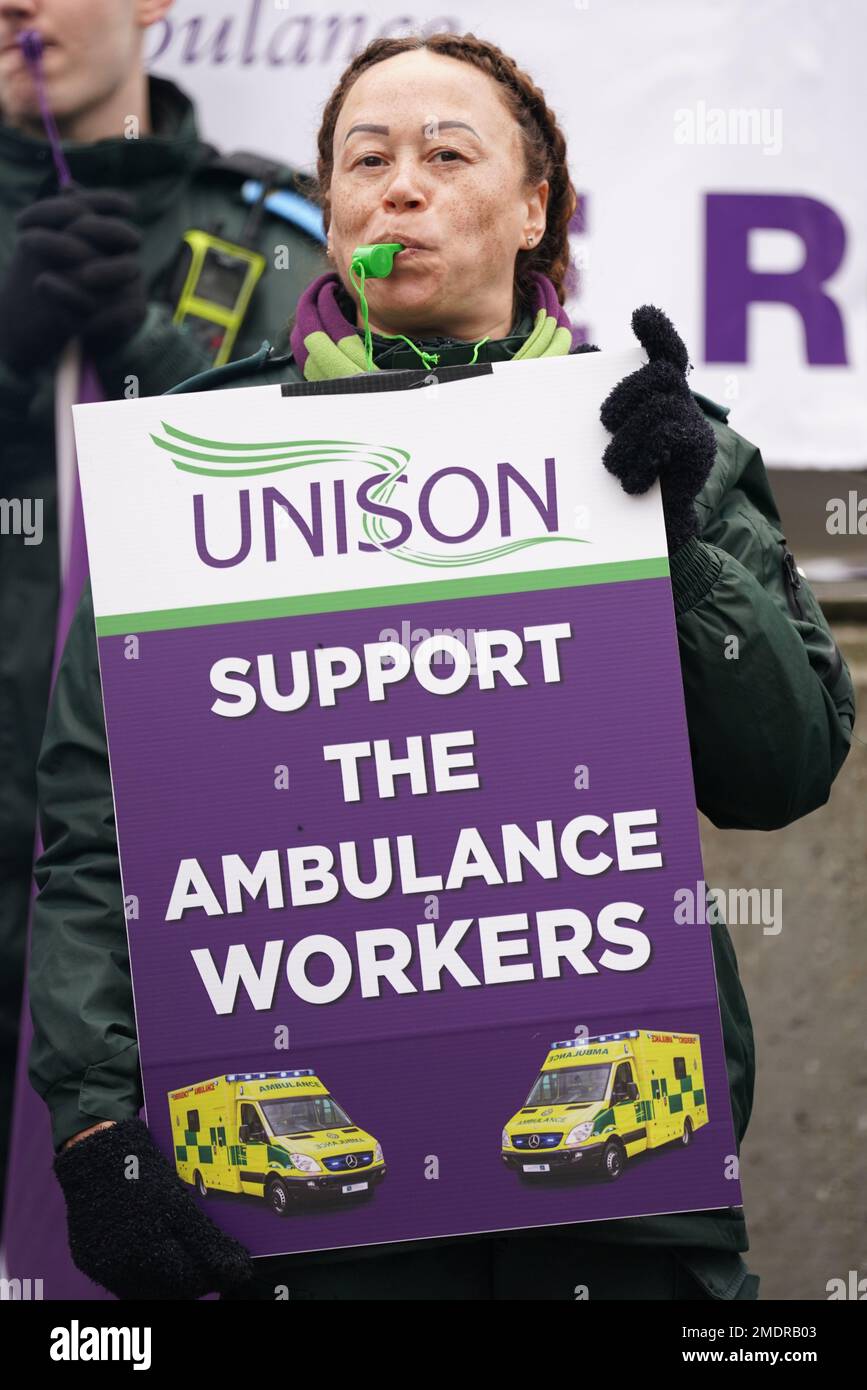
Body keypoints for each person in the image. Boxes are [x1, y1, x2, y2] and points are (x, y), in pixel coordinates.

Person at [29, 31, 855, 1301]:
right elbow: (96, 833)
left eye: (445, 154)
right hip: (307, 1220)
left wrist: (679, 540)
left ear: (537, 210)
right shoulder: (190, 477)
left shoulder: (652, 444)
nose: (397, 187)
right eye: (365, 159)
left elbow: (783, 771)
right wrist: (94, 1130)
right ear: (332, 205)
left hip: (621, 1205)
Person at [0, 0, 327, 1218]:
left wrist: (145, 355)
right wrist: (11, 360)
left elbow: (325, 518)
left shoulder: (281, 237)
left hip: (184, 883)